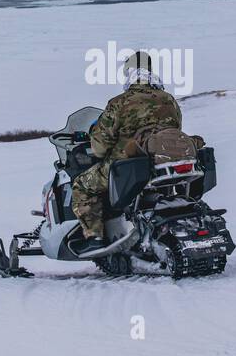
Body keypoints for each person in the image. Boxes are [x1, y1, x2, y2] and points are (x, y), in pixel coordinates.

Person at [70, 51, 183, 253]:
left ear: (128, 74)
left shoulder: (119, 103)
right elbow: (176, 129)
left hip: (126, 164)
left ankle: (94, 237)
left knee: (82, 185)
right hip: (162, 161)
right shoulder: (169, 100)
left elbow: (99, 146)